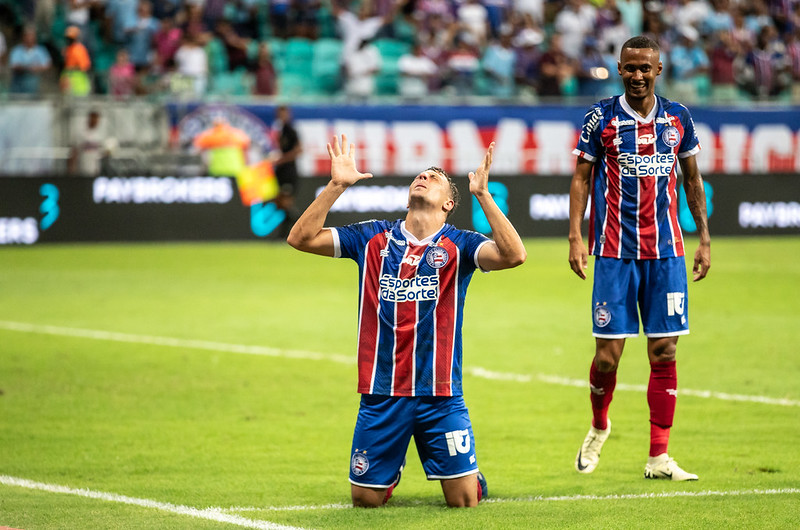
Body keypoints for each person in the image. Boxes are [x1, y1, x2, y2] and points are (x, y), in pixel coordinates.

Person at [287, 134, 526, 507]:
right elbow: (300, 238)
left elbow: (514, 255)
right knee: (367, 501)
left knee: (464, 501)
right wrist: (336, 186)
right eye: (420, 175)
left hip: (440, 393)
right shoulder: (371, 237)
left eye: (434, 177)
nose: (423, 177)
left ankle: (469, 476)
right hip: (382, 392)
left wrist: (483, 194)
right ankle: (389, 471)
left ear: (448, 202)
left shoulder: (460, 244)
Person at [568, 35, 711, 482]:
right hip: (613, 252)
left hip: (666, 252)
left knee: (664, 349)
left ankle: (659, 458)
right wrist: (575, 236)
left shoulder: (678, 118)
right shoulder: (601, 118)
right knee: (608, 358)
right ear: (618, 68)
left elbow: (691, 179)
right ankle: (598, 424)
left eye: (645, 68)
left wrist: (704, 238)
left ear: (659, 70)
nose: (637, 75)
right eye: (630, 67)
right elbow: (581, 177)